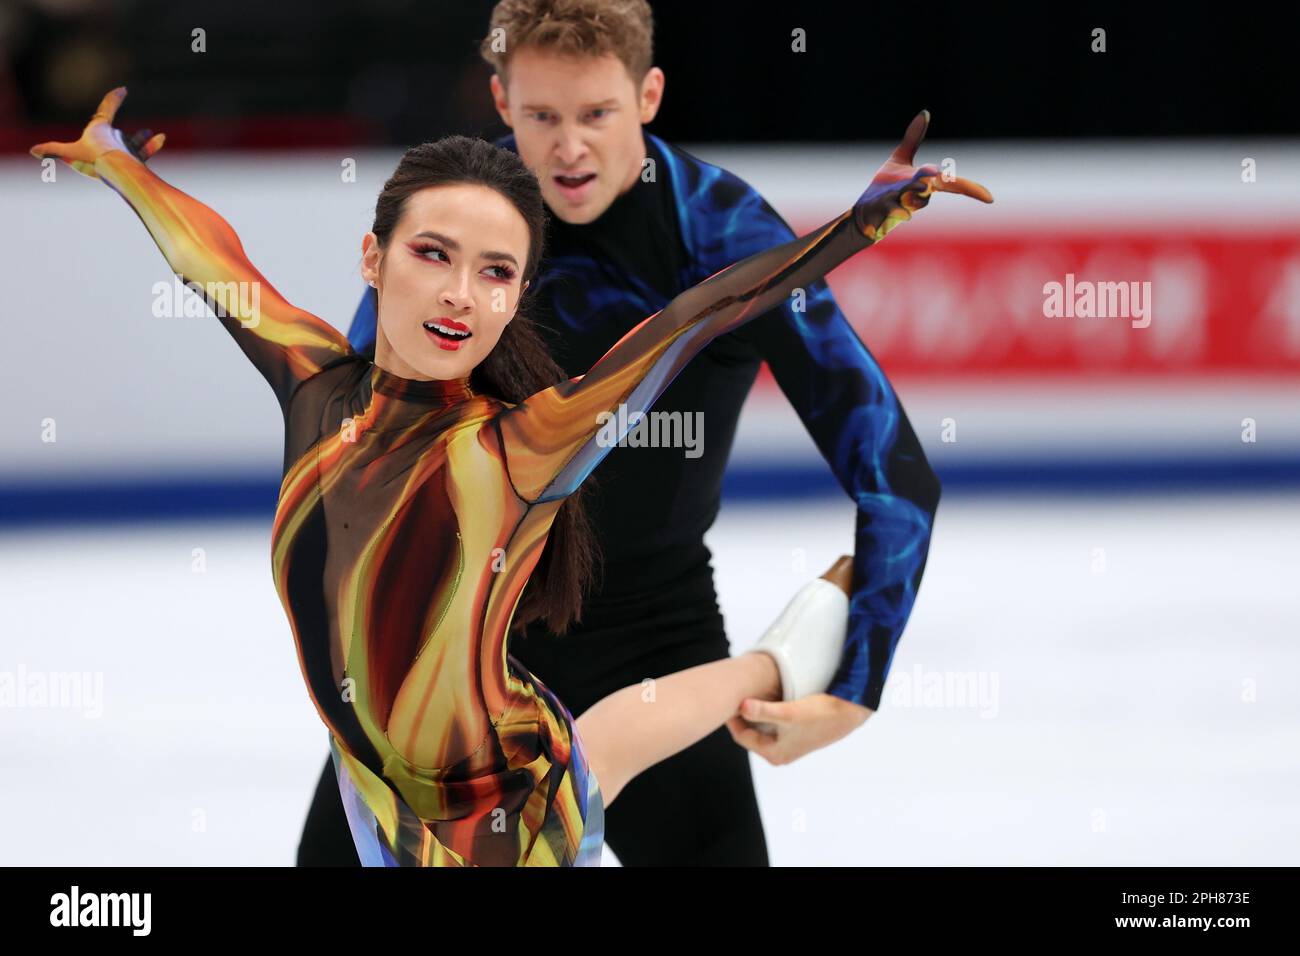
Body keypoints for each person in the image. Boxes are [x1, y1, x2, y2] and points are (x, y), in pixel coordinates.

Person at [31, 87, 990, 867]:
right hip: (380, 794)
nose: (459, 292)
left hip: (509, 830)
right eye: (433, 255)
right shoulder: (316, 385)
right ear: (374, 257)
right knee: (611, 737)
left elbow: (700, 315)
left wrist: (858, 229)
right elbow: (218, 266)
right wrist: (119, 166)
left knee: (611, 746)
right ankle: (773, 658)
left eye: (495, 272)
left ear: (518, 297)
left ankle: (774, 662)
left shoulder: (525, 447)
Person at [314, 0, 951, 867]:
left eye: (596, 115)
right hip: (454, 649)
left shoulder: (720, 232)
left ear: (648, 95)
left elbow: (893, 467)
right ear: (501, 102)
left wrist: (855, 688)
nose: (568, 147)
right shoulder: (454, 225)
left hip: (656, 640)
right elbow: (351, 448)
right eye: (541, 116)